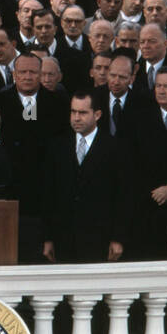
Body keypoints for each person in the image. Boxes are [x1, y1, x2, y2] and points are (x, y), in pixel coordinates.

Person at [41, 90, 129, 263]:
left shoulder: (115, 148)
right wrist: (48, 238)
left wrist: (118, 238)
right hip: (63, 238)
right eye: (73, 112)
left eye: (82, 113)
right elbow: (48, 195)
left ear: (97, 115)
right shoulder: (57, 147)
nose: (76, 118)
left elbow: (124, 196)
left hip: (100, 238)